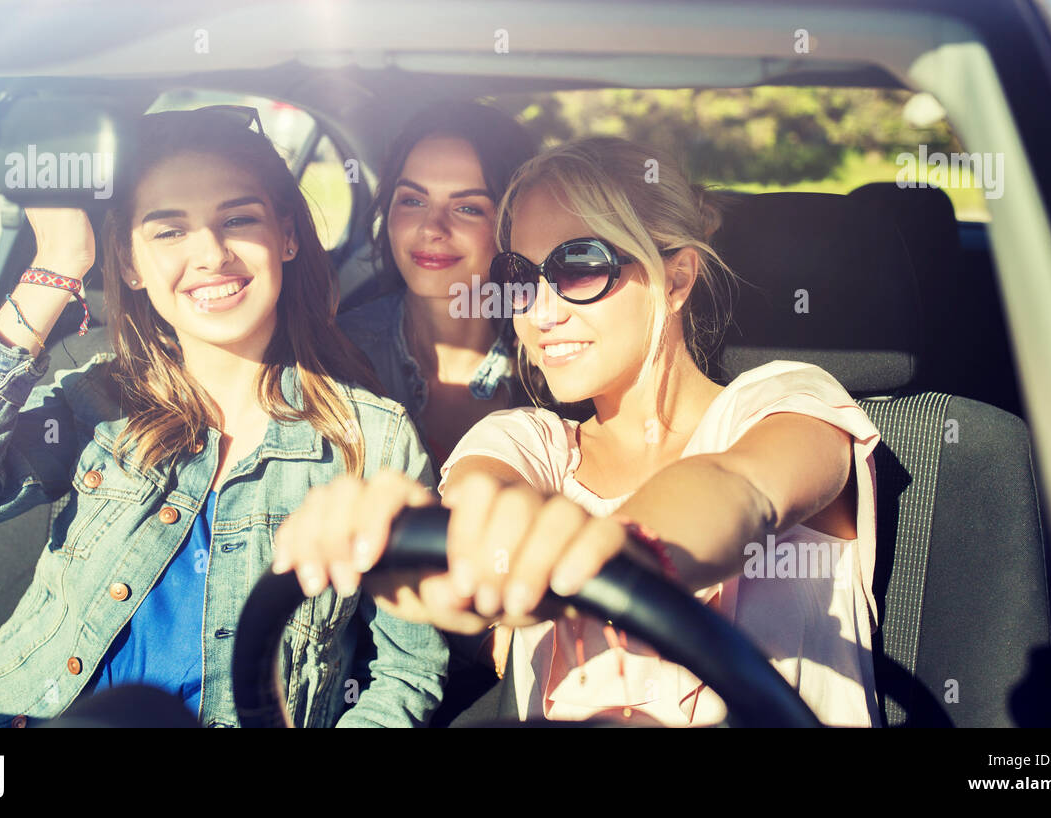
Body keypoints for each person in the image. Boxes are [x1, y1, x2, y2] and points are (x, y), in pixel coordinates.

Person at [270, 136, 884, 726]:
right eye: (519, 276)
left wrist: (611, 558)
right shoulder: (525, 440)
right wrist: (416, 550)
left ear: (675, 279)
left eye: (581, 266)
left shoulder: (786, 402)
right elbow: (478, 509)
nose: (540, 311)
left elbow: (736, 488)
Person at [0, 106, 447, 728]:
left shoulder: (371, 439)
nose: (210, 254)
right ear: (128, 263)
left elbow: (408, 671)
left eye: (238, 220)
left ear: (286, 235)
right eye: (169, 231)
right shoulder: (99, 399)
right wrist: (61, 261)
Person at [338, 100, 538, 473]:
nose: (432, 228)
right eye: (413, 200)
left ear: (513, 223)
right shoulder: (337, 356)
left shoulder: (553, 352)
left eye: (468, 208)